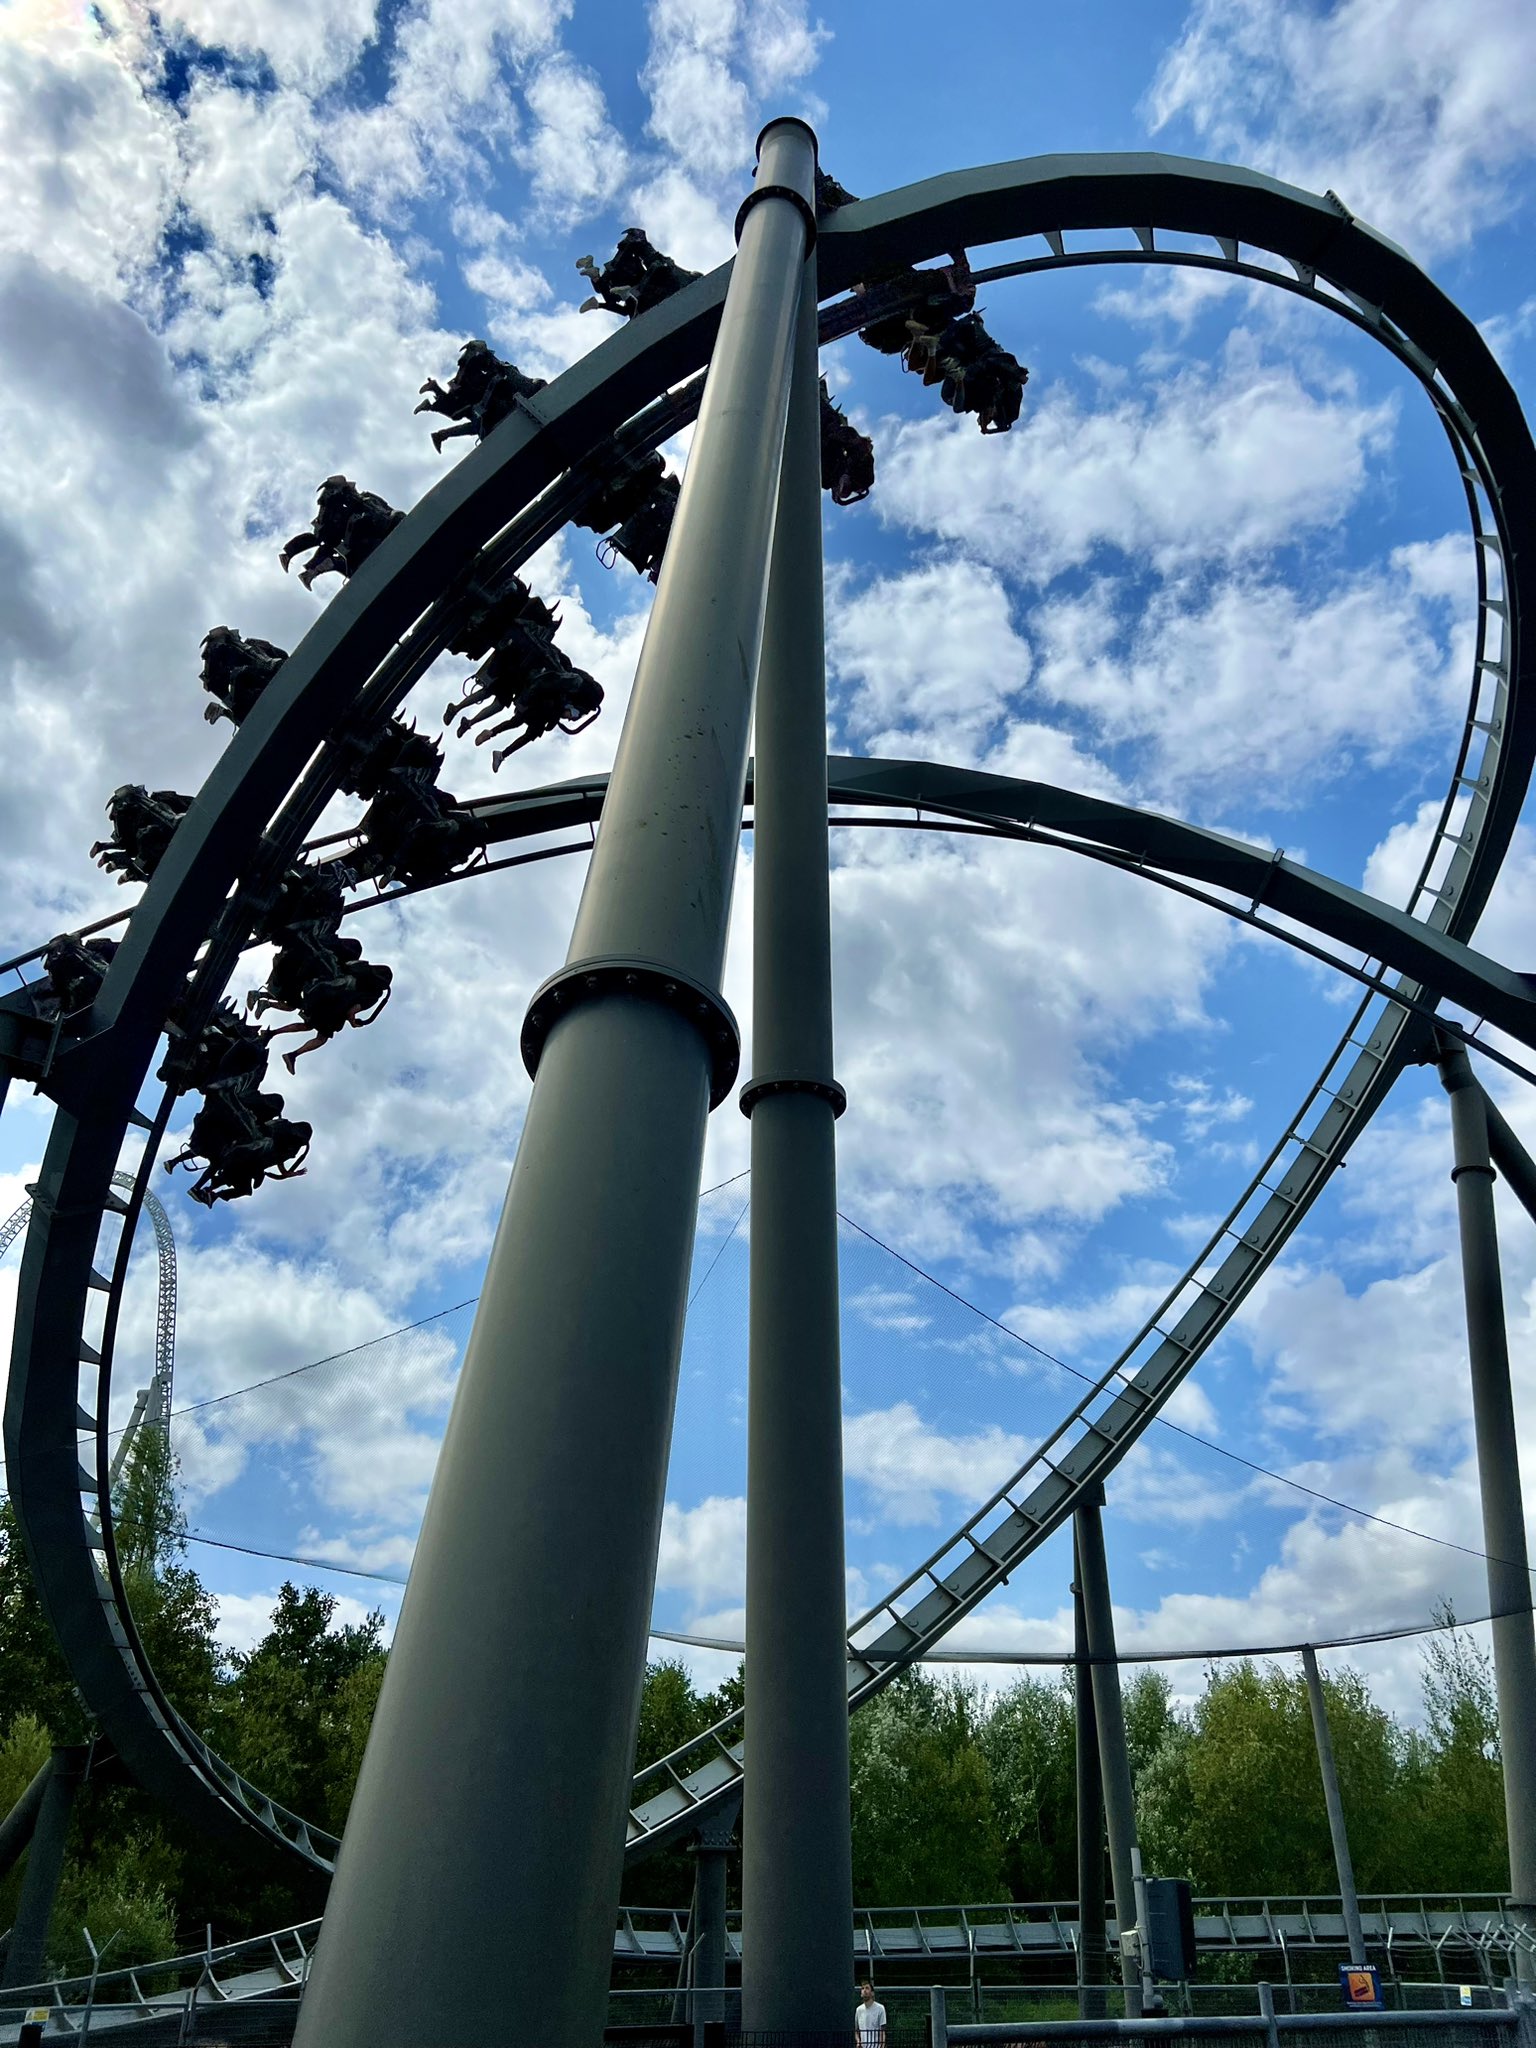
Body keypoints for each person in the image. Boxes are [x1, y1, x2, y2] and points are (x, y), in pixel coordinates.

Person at [855, 1980, 887, 2045]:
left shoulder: (880, 2008)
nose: (864, 1990)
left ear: (872, 1993)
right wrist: (858, 2041)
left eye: (867, 1988)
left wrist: (882, 2045)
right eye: (862, 1988)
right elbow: (856, 2030)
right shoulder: (858, 2010)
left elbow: (882, 2030)